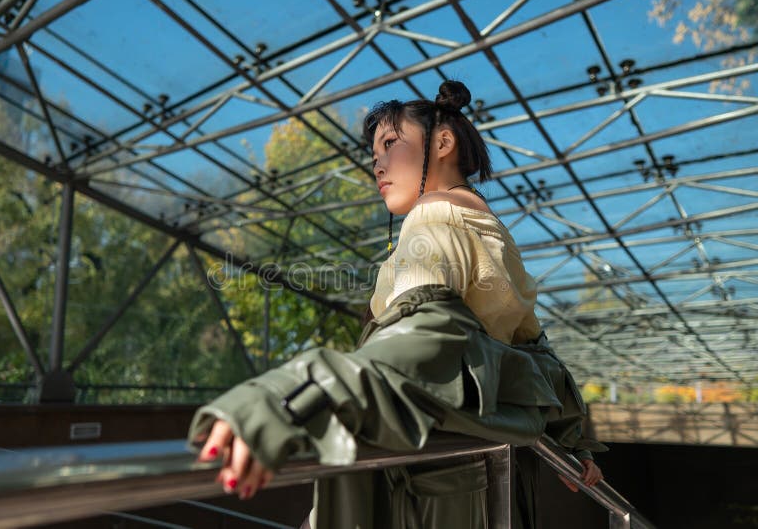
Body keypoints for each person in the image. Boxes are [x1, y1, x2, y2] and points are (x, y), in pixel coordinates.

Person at [189, 80, 605, 528]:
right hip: (489, 487)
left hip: (427, 490)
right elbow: (535, 353)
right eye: (373, 156)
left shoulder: (433, 221)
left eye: (390, 144)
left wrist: (290, 398)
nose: (378, 165)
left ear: (442, 143)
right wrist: (571, 442)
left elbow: (425, 335)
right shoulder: (490, 231)